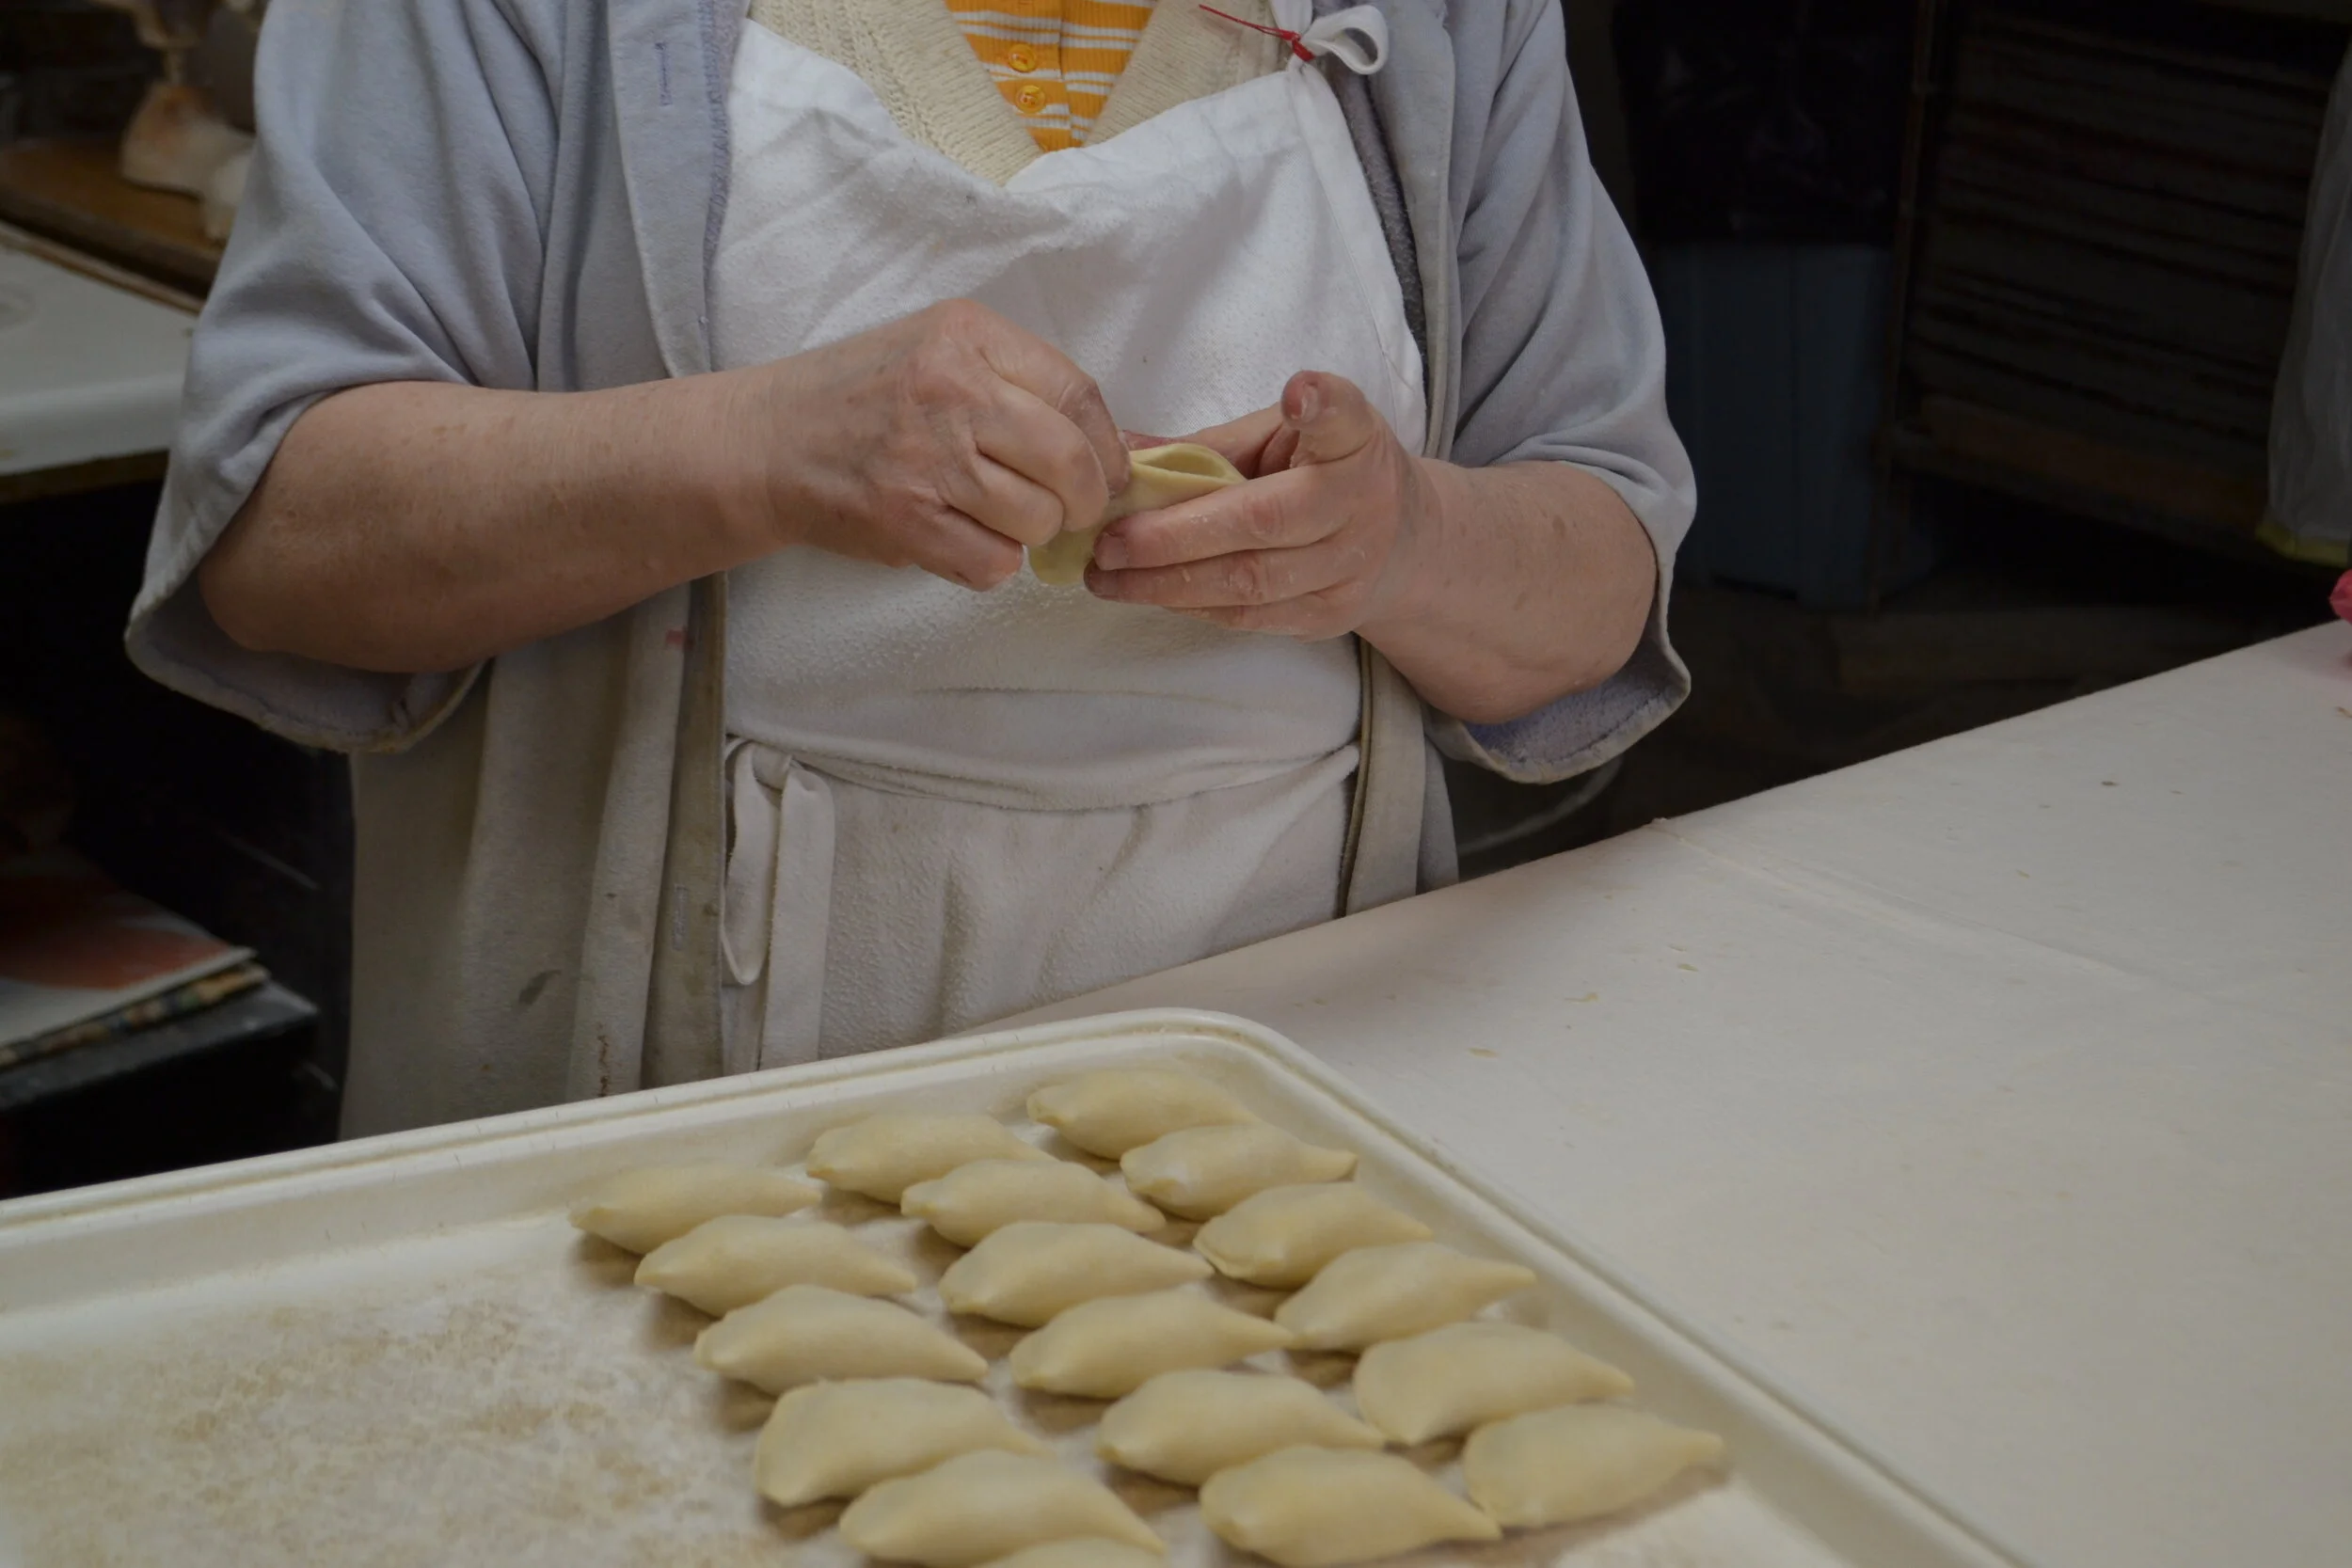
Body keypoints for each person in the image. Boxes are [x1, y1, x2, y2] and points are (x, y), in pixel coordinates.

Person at [129, 0, 1696, 1137]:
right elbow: (282, 532)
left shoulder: (1438, 24)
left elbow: (1596, 570)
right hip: (655, 1147)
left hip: (1290, 1115)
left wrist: (1403, 542)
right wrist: (757, 448)